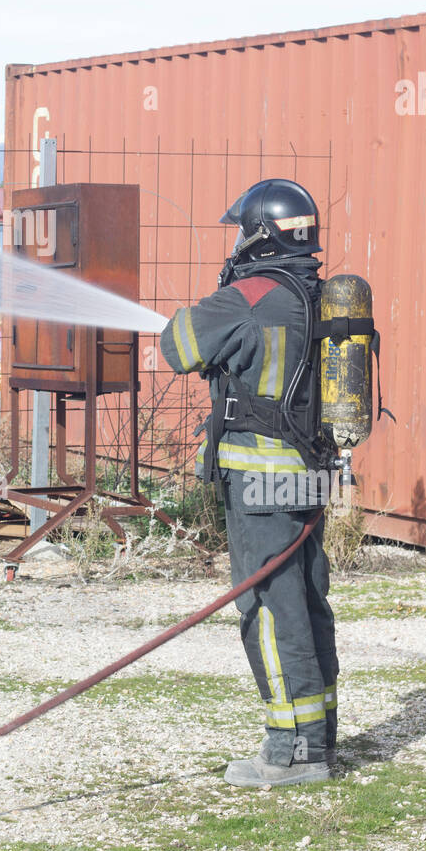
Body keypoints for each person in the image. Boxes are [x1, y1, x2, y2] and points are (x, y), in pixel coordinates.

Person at [160, 179, 337, 788]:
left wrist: (214, 302)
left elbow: (178, 346)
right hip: (309, 479)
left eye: (242, 229)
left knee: (266, 606)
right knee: (307, 601)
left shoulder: (254, 294)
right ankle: (318, 739)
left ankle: (289, 752)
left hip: (261, 481)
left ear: (260, 233)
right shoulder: (315, 295)